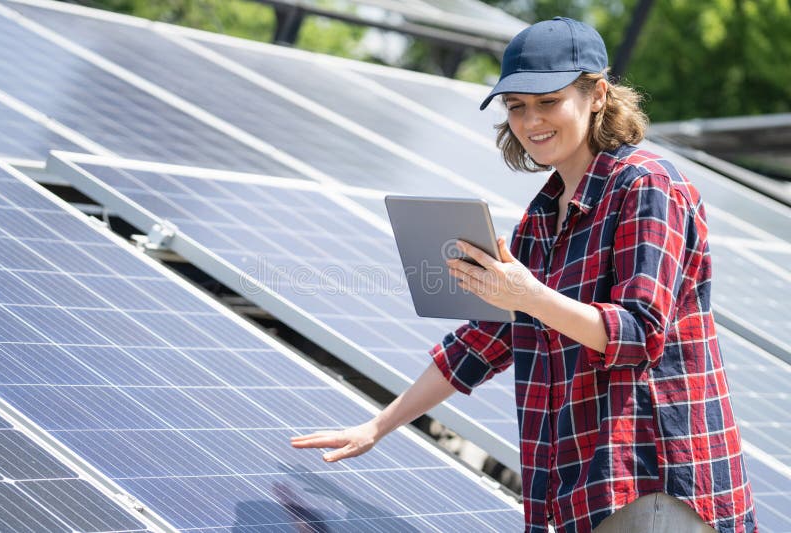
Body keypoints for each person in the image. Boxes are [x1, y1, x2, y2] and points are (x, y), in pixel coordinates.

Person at [291, 16, 757, 533]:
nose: (531, 120)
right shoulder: (541, 219)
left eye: (548, 101)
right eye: (517, 107)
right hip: (583, 489)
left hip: (654, 479)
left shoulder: (647, 186)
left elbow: (637, 333)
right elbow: (483, 340)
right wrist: (377, 426)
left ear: (598, 94)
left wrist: (530, 295)